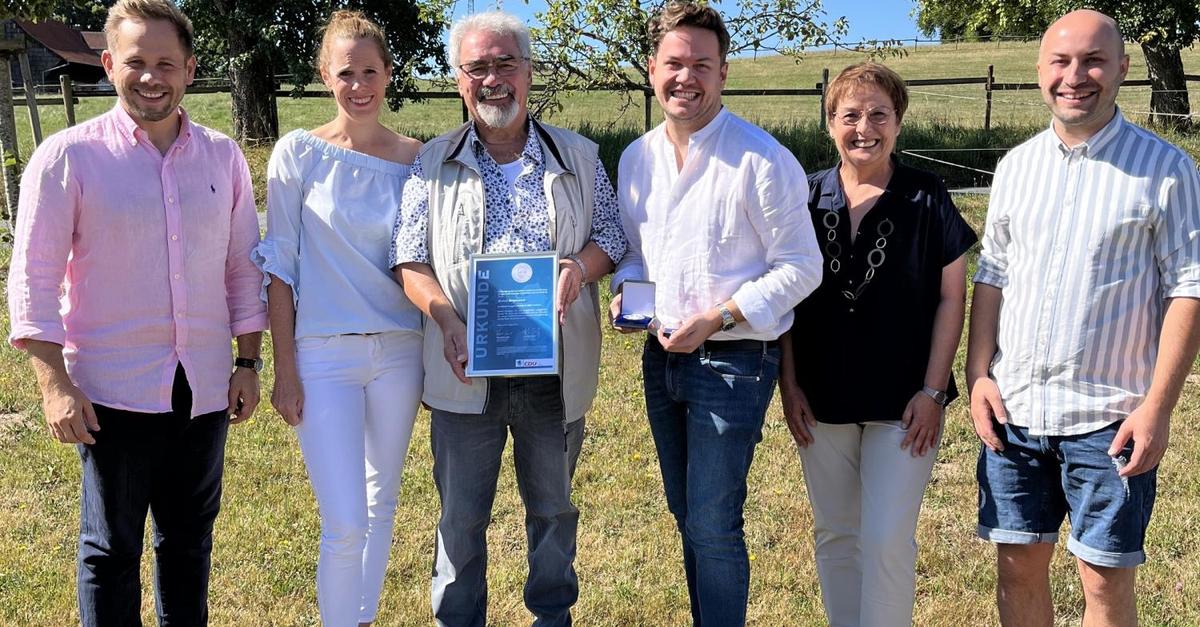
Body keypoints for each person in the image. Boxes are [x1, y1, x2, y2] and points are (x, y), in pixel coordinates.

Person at [5, 0, 266, 624]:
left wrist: (248, 361)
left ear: (190, 69)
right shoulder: (68, 157)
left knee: (188, 544)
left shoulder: (223, 157)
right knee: (110, 549)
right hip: (109, 392)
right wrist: (54, 386)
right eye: (136, 62)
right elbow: (33, 279)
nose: (152, 76)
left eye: (166, 63)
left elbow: (242, 267)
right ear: (107, 65)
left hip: (200, 388)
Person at [389, 11, 626, 626]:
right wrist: (446, 320)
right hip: (464, 372)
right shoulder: (431, 162)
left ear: (527, 71)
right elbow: (409, 260)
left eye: (504, 64)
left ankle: (552, 617)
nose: (492, 80)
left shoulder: (578, 155)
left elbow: (610, 238)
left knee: (552, 512)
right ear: (458, 78)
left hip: (555, 371)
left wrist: (580, 266)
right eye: (477, 68)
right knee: (460, 518)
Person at [967, 9, 1200, 625]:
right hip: (1014, 413)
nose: (1076, 76)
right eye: (1061, 62)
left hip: (1110, 418)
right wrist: (978, 378)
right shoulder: (1016, 167)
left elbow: (1189, 289)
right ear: (1040, 70)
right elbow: (991, 277)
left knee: (1103, 580)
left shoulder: (1168, 170)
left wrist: (1158, 407)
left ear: (1122, 68)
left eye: (1094, 60)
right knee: (1016, 572)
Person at [610, 2, 823, 623]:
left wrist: (722, 316)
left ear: (724, 73)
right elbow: (631, 253)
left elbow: (801, 267)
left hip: (734, 363)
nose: (687, 77)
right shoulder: (636, 158)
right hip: (661, 358)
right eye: (674, 63)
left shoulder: (761, 160)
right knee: (687, 513)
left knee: (713, 522)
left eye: (702, 64)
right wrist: (629, 294)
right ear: (652, 69)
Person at [777, 62, 976, 627]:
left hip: (905, 403)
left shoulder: (926, 196)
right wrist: (789, 384)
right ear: (829, 123)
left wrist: (934, 392)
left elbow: (950, 299)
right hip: (820, 398)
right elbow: (787, 298)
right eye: (850, 115)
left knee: (887, 538)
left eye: (879, 115)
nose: (864, 127)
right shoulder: (803, 197)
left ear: (899, 122)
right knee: (836, 533)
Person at [252, 11, 423, 627]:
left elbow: (428, 262)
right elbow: (281, 266)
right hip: (323, 355)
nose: (358, 85)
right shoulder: (299, 153)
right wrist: (285, 371)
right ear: (326, 74)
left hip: (401, 352)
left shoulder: (418, 160)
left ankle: (362, 617)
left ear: (387, 74)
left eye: (369, 71)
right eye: (346, 72)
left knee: (382, 507)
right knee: (345, 520)